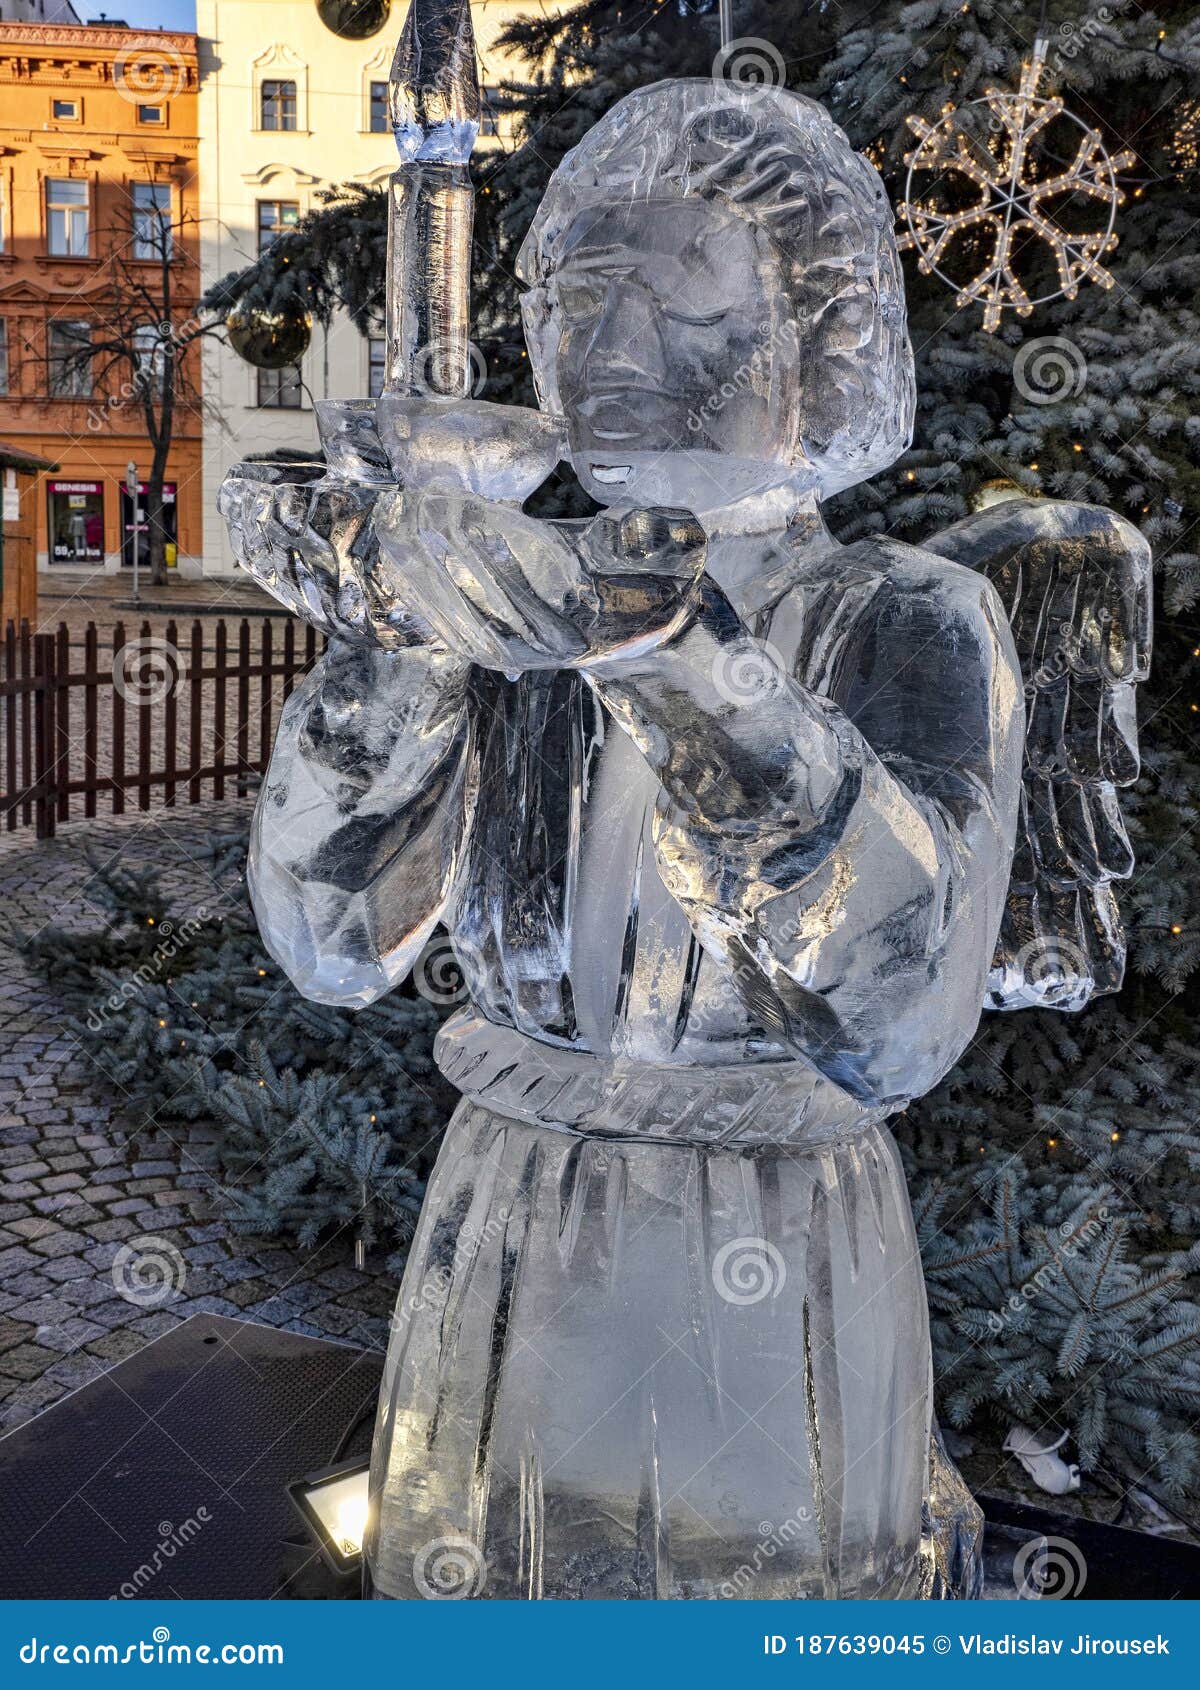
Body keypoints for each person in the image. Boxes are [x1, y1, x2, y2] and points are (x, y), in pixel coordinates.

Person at [219, 79, 1024, 1599]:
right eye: (582, 293)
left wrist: (681, 661)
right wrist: (401, 631)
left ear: (818, 317)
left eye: (684, 284)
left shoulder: (911, 620)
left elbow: (898, 1019)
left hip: (776, 1255)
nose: (617, 346)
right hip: (515, 1231)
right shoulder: (512, 621)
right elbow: (328, 945)